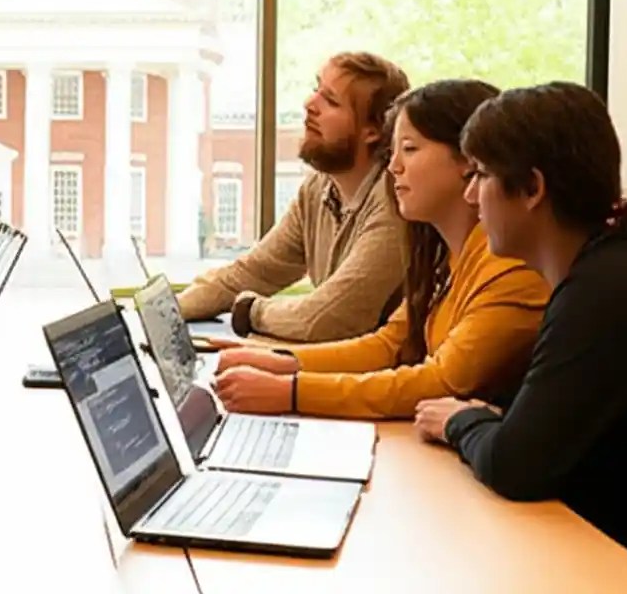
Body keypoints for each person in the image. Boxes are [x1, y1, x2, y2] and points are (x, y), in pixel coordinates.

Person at [210, 79, 550, 419]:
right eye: (393, 153)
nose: (393, 167)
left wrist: (292, 391)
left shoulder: (510, 267)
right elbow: (389, 344)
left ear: (469, 159)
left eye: (411, 149)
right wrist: (283, 362)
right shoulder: (443, 258)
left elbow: (442, 380)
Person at [412, 83, 627, 560]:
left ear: (534, 188)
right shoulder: (609, 266)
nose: (471, 195)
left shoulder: (604, 289)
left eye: (480, 174)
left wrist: (462, 420)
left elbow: (514, 465)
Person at [176, 52, 409, 342]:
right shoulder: (318, 189)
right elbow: (250, 273)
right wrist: (165, 314)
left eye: (331, 101)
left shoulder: (396, 202)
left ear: (372, 133)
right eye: (316, 90)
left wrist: (251, 311)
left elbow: (327, 319)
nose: (310, 105)